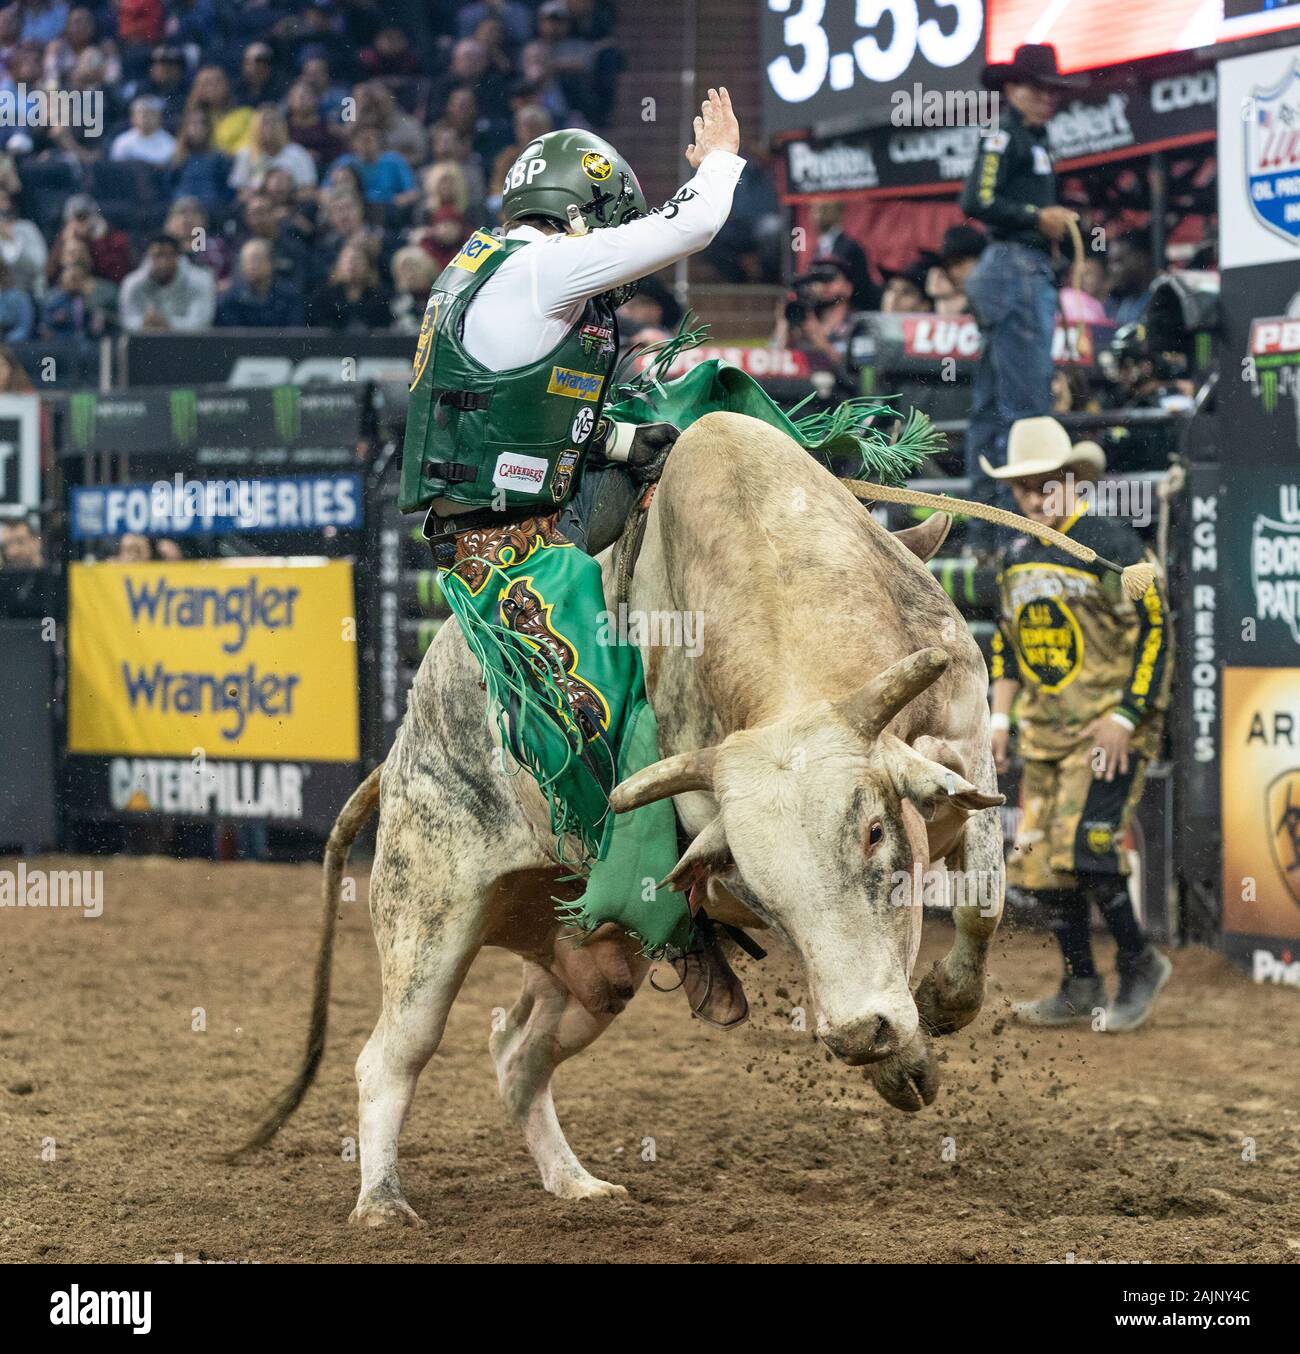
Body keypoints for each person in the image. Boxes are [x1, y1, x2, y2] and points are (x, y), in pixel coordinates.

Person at [399, 91, 747, 1024]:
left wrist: (627, 445)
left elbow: (525, 416)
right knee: (621, 710)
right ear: (582, 211)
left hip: (522, 517)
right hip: (516, 555)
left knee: (680, 436)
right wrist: (720, 158)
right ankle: (673, 915)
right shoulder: (545, 265)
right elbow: (694, 224)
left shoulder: (486, 271)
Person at [986, 417, 1173, 1032]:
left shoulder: (1113, 546)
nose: (1033, 500)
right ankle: (1079, 982)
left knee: (1089, 846)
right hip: (1045, 731)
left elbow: (1156, 628)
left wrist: (1127, 714)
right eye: (1023, 489)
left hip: (1107, 728)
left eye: (1045, 486)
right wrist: (999, 718)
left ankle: (1140, 963)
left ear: (1071, 482)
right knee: (1039, 862)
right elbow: (1007, 645)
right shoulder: (1015, 556)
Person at [960, 44, 1084, 547]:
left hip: (1014, 271)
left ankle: (987, 535)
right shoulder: (1003, 135)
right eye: (1038, 88)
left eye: (1052, 90)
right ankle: (1022, 533)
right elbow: (976, 199)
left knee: (993, 405)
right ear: (1012, 89)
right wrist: (1038, 217)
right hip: (1016, 271)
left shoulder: (1032, 138)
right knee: (1026, 405)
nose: (1048, 98)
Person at [118, 233, 216, 333]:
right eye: (157, 256)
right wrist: (143, 323)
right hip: (146, 339)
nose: (162, 262)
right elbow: (126, 320)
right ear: (148, 256)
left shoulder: (201, 280)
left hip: (189, 341)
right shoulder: (132, 283)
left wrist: (168, 323)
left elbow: (201, 324)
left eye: (167, 256)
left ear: (178, 257)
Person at [215, 239, 305, 327]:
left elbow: (295, 330)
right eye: (246, 261)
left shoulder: (289, 296)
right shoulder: (231, 299)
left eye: (255, 259)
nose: (250, 265)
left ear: (270, 262)